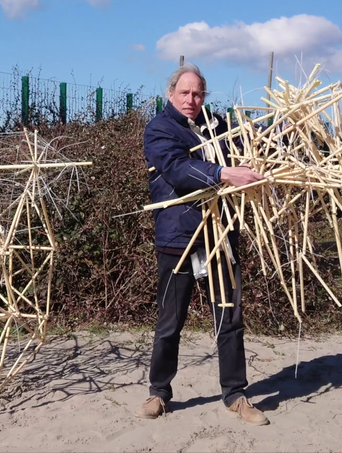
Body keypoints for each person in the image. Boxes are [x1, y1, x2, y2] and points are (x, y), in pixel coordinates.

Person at [137, 63, 269, 425]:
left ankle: (236, 395)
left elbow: (248, 146)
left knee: (229, 319)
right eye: (185, 93)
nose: (192, 100)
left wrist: (279, 134)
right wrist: (223, 173)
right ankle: (159, 392)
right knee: (169, 321)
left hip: (220, 236)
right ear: (171, 94)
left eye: (198, 94)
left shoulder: (219, 127)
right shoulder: (159, 129)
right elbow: (176, 168)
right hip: (178, 238)